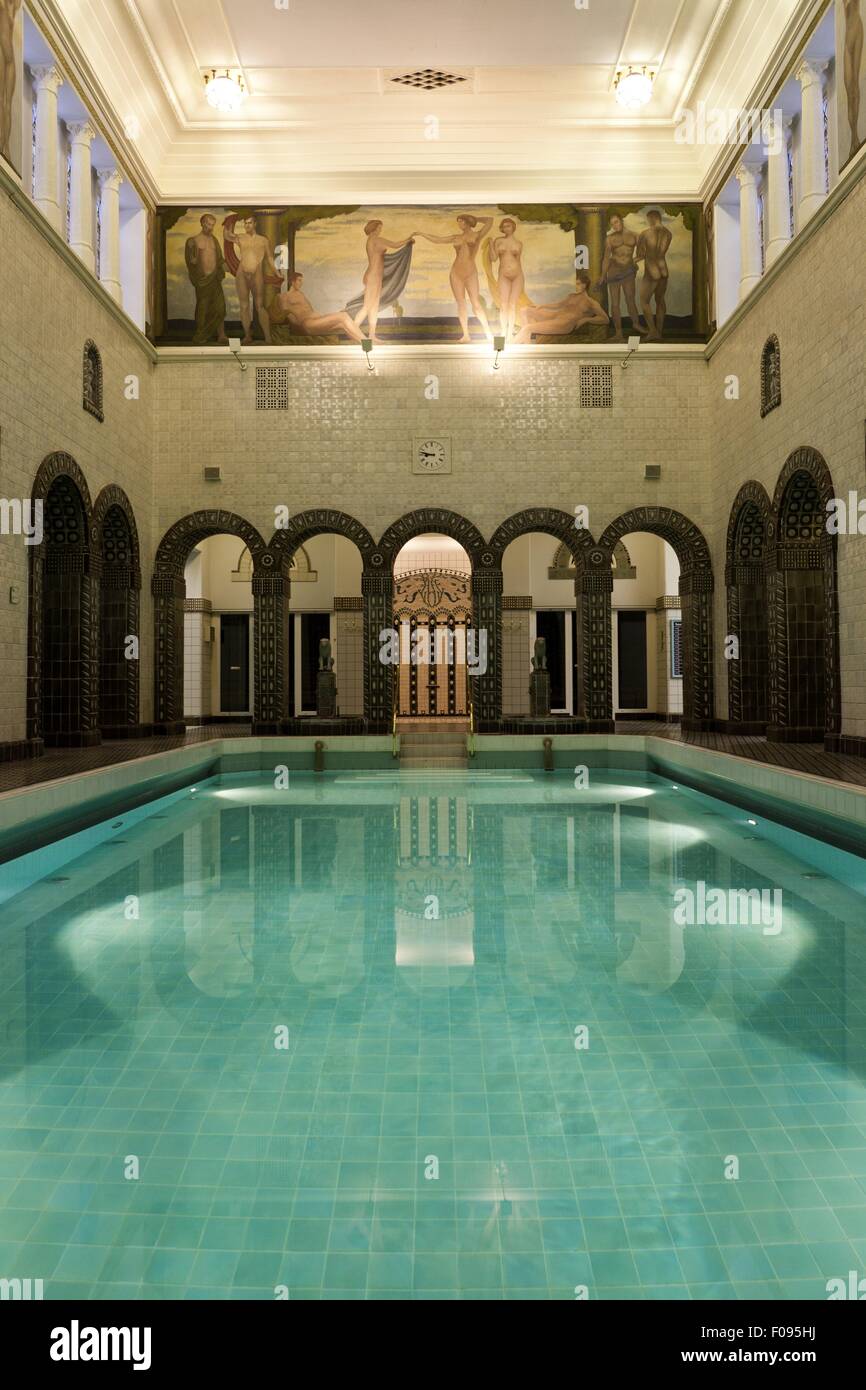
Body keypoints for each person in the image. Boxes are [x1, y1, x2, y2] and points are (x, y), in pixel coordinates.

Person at [416, 213, 494, 343]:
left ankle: (488, 333)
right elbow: (438, 240)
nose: (459, 224)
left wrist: (475, 219)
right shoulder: (456, 237)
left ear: (467, 222)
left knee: (476, 303)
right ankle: (465, 335)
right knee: (461, 303)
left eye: (461, 221)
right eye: (458, 222)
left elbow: (490, 220)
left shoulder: (477, 235)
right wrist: (421, 234)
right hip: (456, 273)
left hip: (470, 272)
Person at [352, 219, 417, 343]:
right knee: (367, 306)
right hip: (373, 276)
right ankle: (353, 331)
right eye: (379, 228)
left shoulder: (371, 240)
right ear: (374, 228)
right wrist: (409, 239)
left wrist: (408, 241)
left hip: (375, 275)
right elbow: (395, 244)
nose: (380, 230)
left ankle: (372, 335)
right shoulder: (376, 239)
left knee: (374, 307)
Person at [223, 215, 277, 344]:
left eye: (250, 223)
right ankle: (247, 335)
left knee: (260, 306)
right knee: (244, 305)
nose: (247, 225)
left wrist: (277, 273)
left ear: (255, 224)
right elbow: (227, 236)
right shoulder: (240, 237)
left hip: (256, 274)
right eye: (245, 223)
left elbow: (269, 258)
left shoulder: (263, 240)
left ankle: (268, 336)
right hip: (242, 274)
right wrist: (229, 222)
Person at [272, 271, 368, 343]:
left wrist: (320, 317)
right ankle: (368, 344)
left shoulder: (301, 294)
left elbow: (309, 310)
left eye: (302, 281)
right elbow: (285, 313)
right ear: (292, 281)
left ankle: (366, 346)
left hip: (315, 320)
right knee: (343, 316)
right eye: (299, 280)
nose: (301, 283)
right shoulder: (284, 296)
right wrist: (298, 327)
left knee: (343, 324)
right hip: (307, 323)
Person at [514, 271, 609, 343]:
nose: (576, 286)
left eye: (578, 284)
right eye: (575, 283)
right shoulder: (571, 296)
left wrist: (586, 320)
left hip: (565, 323)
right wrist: (541, 306)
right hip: (556, 315)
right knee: (525, 310)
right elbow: (558, 305)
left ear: (585, 285)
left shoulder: (591, 303)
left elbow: (605, 319)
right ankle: (528, 342)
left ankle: (512, 346)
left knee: (528, 328)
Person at [596, 214, 646, 342]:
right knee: (615, 303)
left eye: (616, 222)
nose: (615, 225)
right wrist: (602, 275)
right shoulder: (609, 239)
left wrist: (633, 261)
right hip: (613, 272)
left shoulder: (635, 235)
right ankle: (619, 333)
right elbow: (606, 258)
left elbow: (642, 253)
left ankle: (636, 324)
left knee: (630, 299)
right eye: (612, 224)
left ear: (621, 221)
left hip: (628, 272)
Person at [184, 214, 228, 345]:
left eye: (213, 225)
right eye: (209, 224)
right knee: (203, 308)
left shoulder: (214, 240)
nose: (211, 227)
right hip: (203, 281)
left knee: (220, 308)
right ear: (202, 223)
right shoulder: (193, 241)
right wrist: (193, 262)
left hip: (215, 279)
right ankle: (200, 334)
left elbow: (219, 259)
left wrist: (231, 267)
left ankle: (221, 335)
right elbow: (190, 261)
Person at [636, 208, 673, 341]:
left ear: (651, 218)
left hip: (652, 271)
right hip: (663, 269)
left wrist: (630, 262)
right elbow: (660, 252)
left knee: (644, 301)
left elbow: (641, 255)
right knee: (660, 300)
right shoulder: (668, 233)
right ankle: (660, 331)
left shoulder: (645, 233)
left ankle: (652, 331)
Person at [490, 217, 525, 340]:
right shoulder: (499, 241)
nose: (506, 228)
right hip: (504, 274)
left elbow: (518, 261)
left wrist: (522, 280)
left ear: (513, 227)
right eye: (504, 226)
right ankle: (503, 332)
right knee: (504, 304)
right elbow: (494, 258)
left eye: (509, 226)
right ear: (502, 228)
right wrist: (490, 244)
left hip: (517, 275)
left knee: (512, 304)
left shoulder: (519, 243)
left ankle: (510, 332)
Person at [0, 0, 21, 164]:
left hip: (10, 61)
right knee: (2, 101)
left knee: (7, 104)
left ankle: (5, 147)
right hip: (4, 55)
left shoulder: (15, 5)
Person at [843, 0, 864, 164]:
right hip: (846, 39)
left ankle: (856, 138)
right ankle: (853, 137)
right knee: (848, 88)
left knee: (855, 86)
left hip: (856, 30)